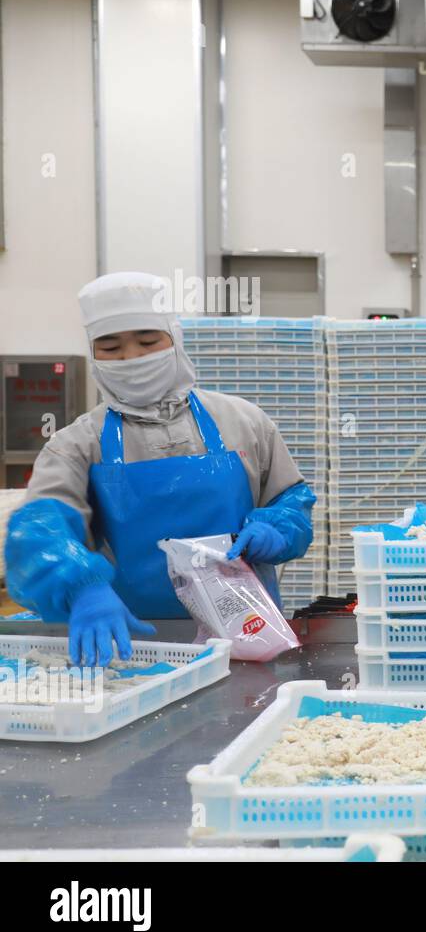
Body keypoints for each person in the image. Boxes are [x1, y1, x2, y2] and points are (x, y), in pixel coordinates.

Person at [4, 272, 316, 666]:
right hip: (134, 645)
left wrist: (276, 529)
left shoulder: (243, 422)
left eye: (148, 341)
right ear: (93, 352)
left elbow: (292, 503)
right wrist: (81, 586)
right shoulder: (76, 444)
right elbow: (39, 530)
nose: (131, 357)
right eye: (111, 346)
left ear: (175, 338)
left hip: (248, 633)